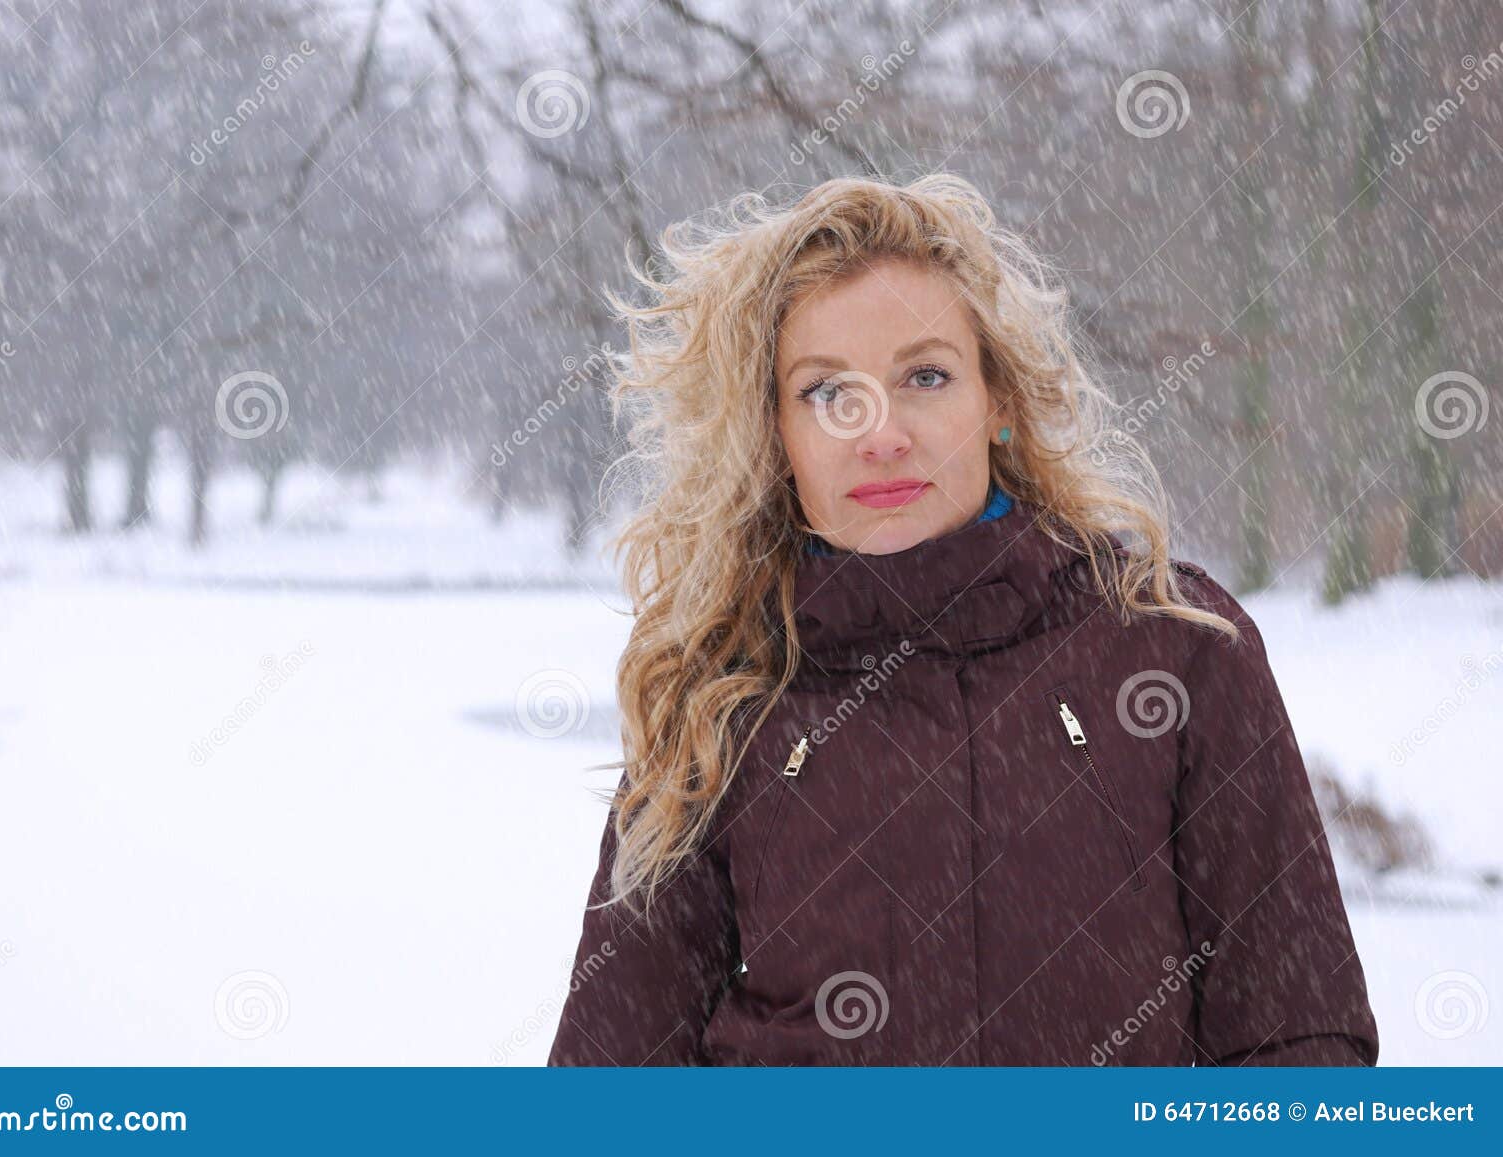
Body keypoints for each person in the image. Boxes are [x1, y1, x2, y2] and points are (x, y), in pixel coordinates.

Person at [546, 173, 1378, 1067]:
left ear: (1000, 403)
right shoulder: (721, 692)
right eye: (829, 392)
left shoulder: (1172, 645)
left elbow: (1298, 1030)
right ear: (774, 437)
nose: (882, 432)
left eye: (926, 376)